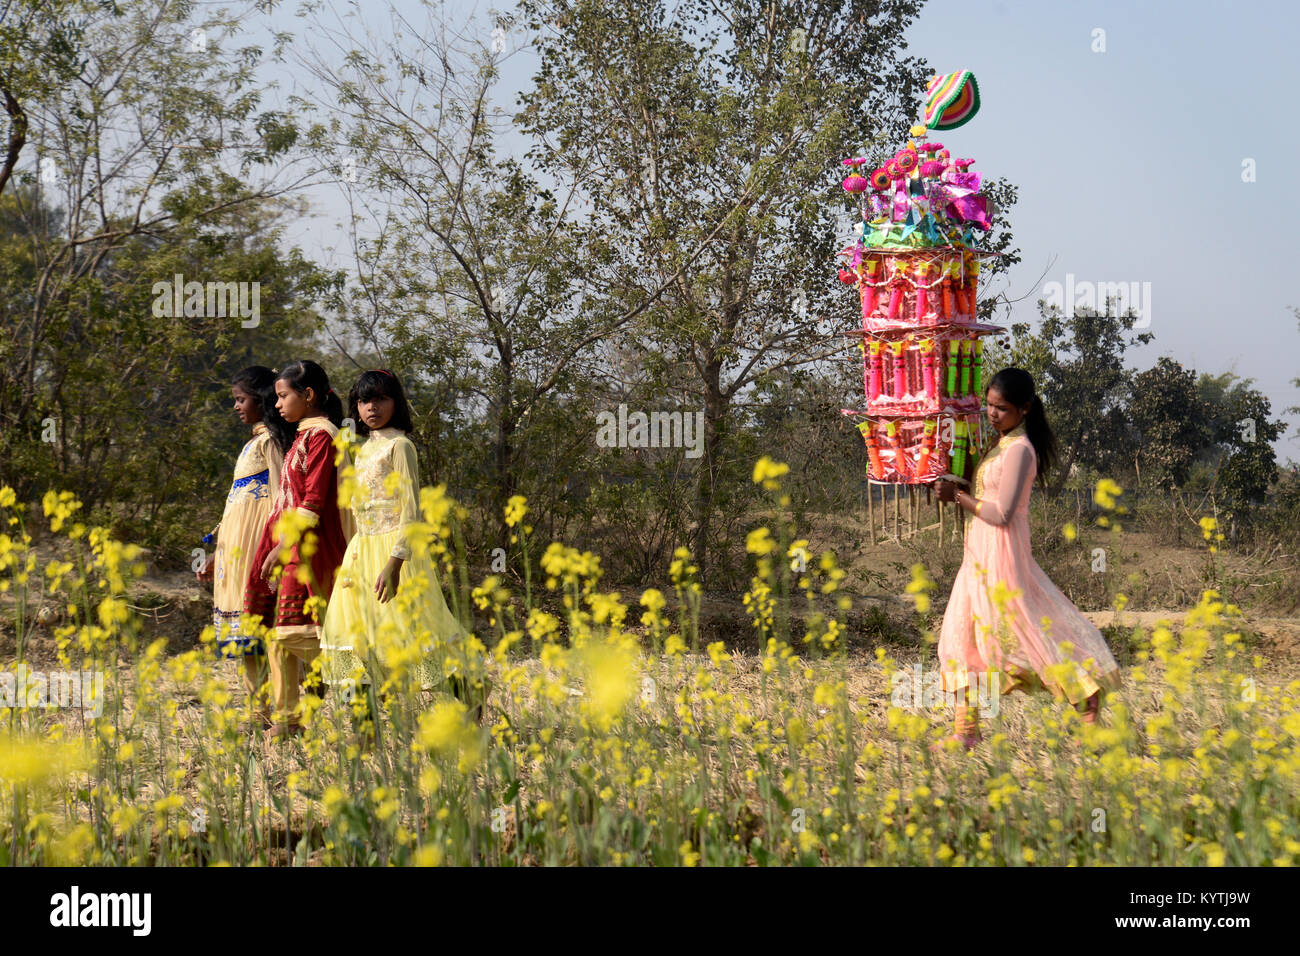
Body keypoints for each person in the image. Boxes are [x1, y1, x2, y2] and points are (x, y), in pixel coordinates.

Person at [932, 367, 1122, 751]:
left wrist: (959, 498)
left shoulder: (1020, 449)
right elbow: (980, 494)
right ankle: (966, 732)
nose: (992, 414)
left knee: (1028, 632)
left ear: (1025, 408)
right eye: (988, 405)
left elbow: (1001, 513)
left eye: (1001, 408)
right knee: (959, 637)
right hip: (978, 552)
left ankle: (1088, 705)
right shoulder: (1000, 445)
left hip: (1002, 553)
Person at [320, 369, 469, 717]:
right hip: (361, 552)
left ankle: (471, 693)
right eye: (364, 400)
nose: (372, 407)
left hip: (393, 554)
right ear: (356, 407)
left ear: (395, 403)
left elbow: (412, 510)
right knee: (351, 643)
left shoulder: (400, 446)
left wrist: (395, 563)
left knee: (412, 642)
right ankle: (364, 730)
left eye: (381, 399)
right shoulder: (363, 448)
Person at [243, 360, 353, 738]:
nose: (276, 405)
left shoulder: (321, 437)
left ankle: (358, 691)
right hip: (294, 548)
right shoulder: (303, 438)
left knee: (304, 634)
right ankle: (289, 718)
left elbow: (313, 501)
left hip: (312, 549)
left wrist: (282, 547)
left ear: (307, 396)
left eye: (283, 396)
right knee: (282, 634)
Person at [199, 367, 294, 722]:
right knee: (248, 637)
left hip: (258, 549)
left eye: (241, 399)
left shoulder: (271, 442)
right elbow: (236, 505)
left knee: (264, 630)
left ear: (263, 399)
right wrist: (218, 551)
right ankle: (259, 710)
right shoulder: (252, 443)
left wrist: (279, 545)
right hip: (236, 555)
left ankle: (280, 711)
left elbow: (283, 496)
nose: (237, 407)